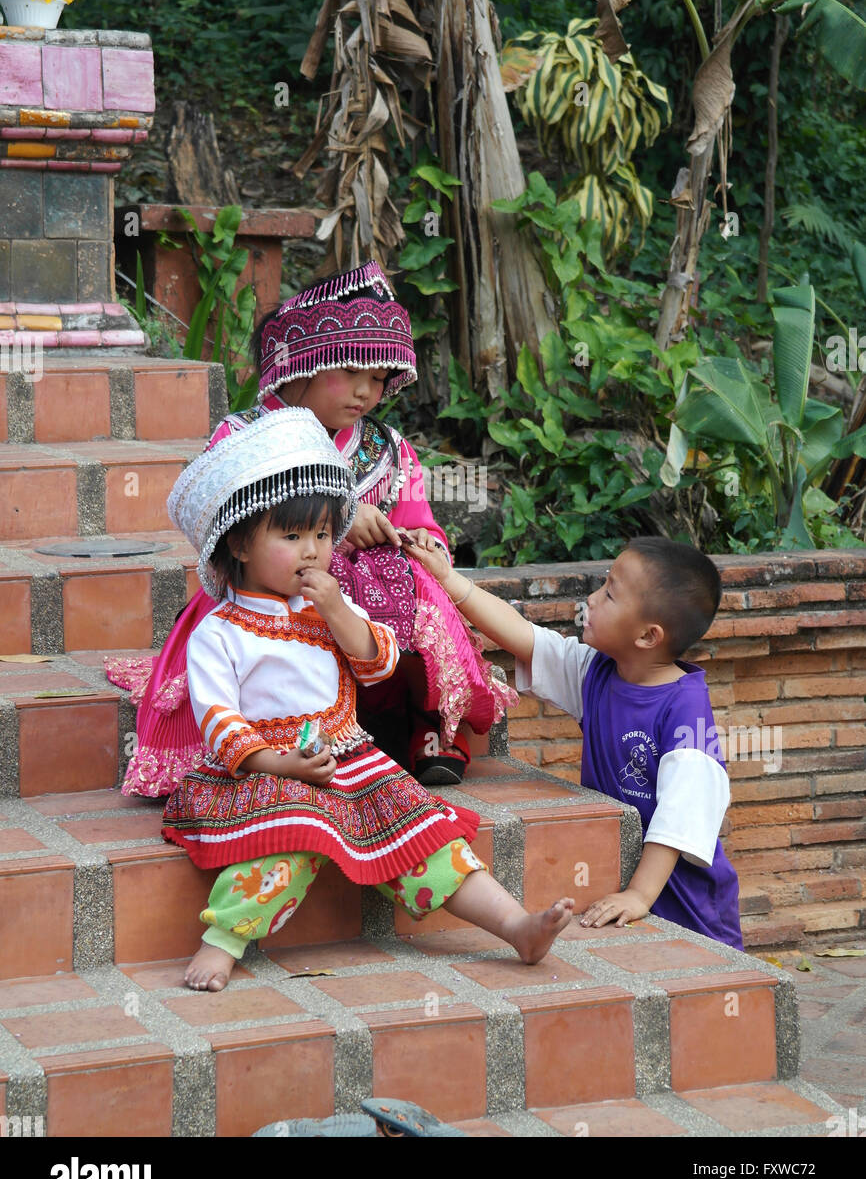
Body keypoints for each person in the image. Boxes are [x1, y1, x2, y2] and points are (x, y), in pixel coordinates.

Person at [161, 407, 575, 991]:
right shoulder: (220, 632)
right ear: (239, 542)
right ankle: (225, 939)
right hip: (264, 770)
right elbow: (218, 718)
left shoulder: (329, 607)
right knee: (289, 838)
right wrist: (279, 763)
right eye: (291, 535)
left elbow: (378, 661)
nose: (312, 551)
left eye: (324, 535)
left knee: (429, 837)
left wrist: (336, 609)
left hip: (354, 759)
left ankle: (515, 924)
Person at [108, 260, 514, 797]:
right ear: (305, 361)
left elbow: (423, 524)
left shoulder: (388, 448)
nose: (365, 392)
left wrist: (415, 544)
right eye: (349, 372)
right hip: (268, 596)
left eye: (377, 378)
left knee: (416, 580)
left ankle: (434, 725)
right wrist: (337, 527)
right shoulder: (245, 436)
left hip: (363, 613)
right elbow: (226, 529)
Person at [403, 533, 743, 949]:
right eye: (603, 583)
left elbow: (679, 821)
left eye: (610, 594)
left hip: (689, 905)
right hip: (621, 888)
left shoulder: (686, 711)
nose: (592, 599)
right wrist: (450, 581)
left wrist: (638, 895)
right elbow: (526, 637)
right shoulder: (600, 673)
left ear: (648, 637)